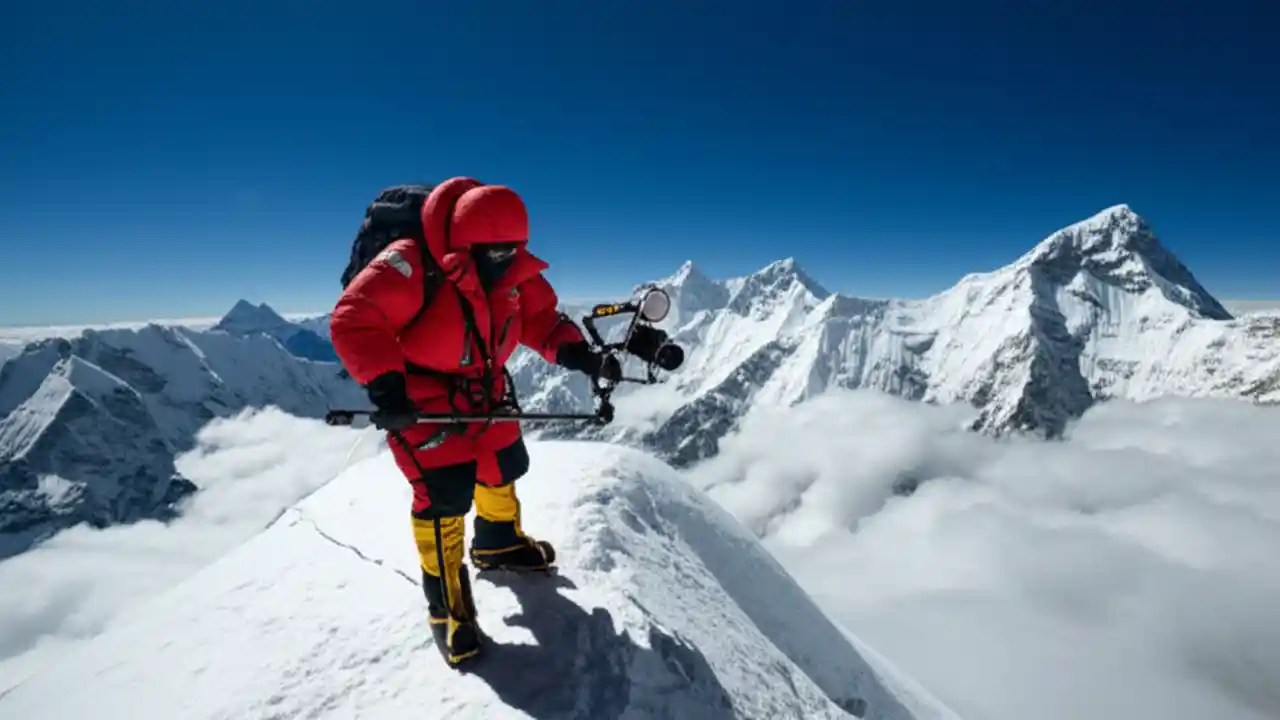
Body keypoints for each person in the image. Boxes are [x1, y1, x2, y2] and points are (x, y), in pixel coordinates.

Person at [329, 177, 618, 666]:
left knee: (504, 460)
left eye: (513, 252)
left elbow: (540, 318)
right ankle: (448, 609)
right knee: (444, 491)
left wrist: (579, 355)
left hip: (483, 386)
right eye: (496, 253)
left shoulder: (510, 271)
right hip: (419, 393)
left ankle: (498, 542)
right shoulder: (410, 262)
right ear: (468, 242)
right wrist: (387, 389)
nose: (505, 262)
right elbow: (355, 316)